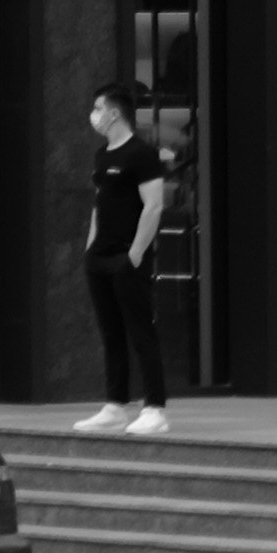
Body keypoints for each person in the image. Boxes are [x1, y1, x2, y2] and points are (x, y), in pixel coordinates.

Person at [78, 86, 173, 430]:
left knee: (140, 330)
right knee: (110, 332)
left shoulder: (142, 154)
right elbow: (98, 205)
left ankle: (155, 408)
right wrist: (90, 249)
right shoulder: (103, 156)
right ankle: (115, 403)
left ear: (114, 113)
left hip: (126, 257)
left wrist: (134, 254)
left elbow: (154, 205)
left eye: (98, 107)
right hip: (100, 257)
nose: (95, 114)